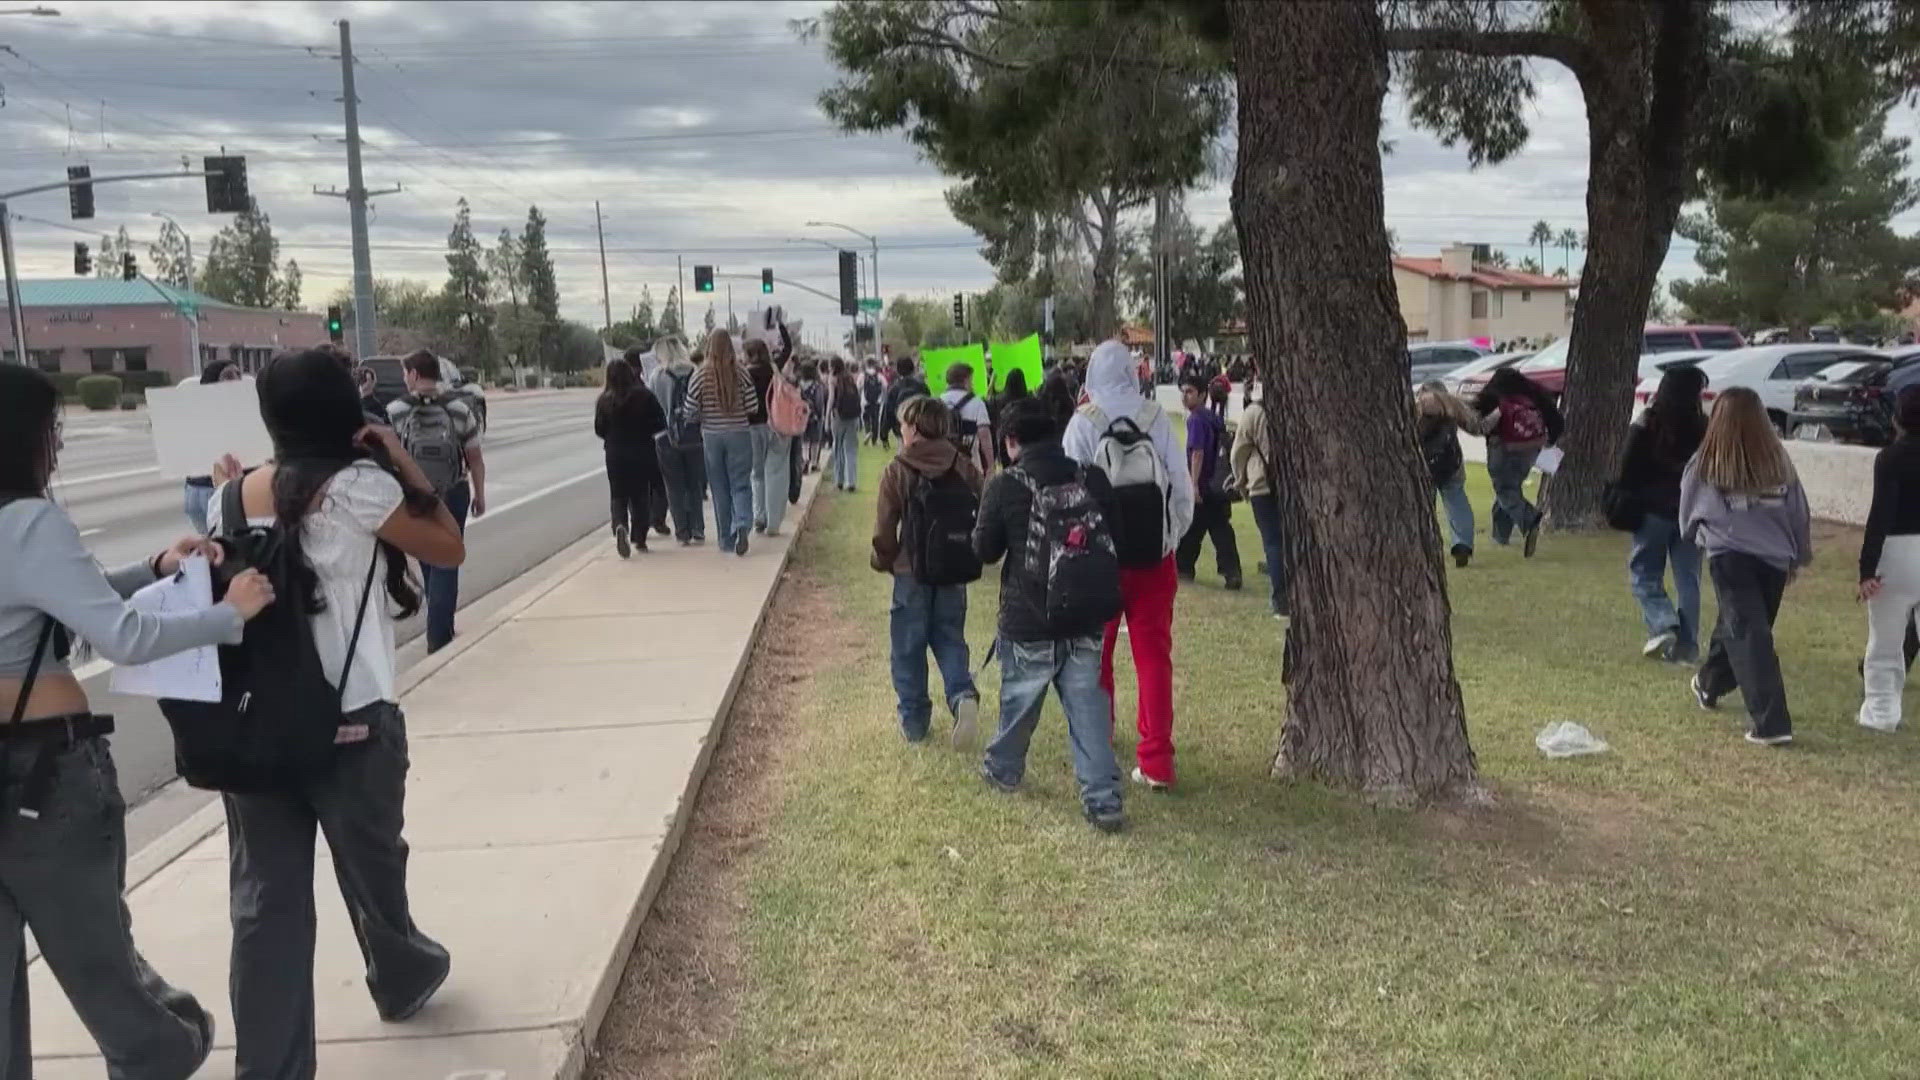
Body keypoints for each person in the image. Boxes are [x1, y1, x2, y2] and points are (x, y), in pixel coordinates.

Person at [0, 364, 273, 1078]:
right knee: (102, 968)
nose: (55, 445)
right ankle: (167, 1049)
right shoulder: (26, 521)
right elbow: (121, 635)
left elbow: (61, 599)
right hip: (44, 777)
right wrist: (227, 615)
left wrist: (155, 564)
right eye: (49, 430)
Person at [212, 348, 463, 1076]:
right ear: (342, 413)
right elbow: (447, 546)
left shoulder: (228, 497)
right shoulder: (357, 487)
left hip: (257, 729)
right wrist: (399, 461)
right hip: (351, 720)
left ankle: (270, 1065)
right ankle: (402, 974)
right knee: (375, 870)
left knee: (265, 907)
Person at [974, 397, 1126, 832]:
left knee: (1020, 701)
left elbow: (986, 552)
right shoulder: (1091, 477)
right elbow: (1115, 536)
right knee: (1088, 708)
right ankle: (1103, 799)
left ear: (1011, 442)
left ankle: (1004, 768)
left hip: (1029, 618)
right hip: (1086, 613)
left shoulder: (1005, 485)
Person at [1064, 339, 1195, 790]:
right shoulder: (1157, 418)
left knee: (1094, 655)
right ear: (1134, 373)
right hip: (1153, 560)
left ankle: (1098, 736)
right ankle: (1157, 759)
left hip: (1100, 561)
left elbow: (1068, 497)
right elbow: (1181, 488)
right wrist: (1169, 538)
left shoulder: (1082, 424)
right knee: (1154, 657)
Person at [1681, 386, 1812, 746]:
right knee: (1750, 632)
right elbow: (1798, 514)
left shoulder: (1775, 463)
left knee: (1741, 627)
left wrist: (1798, 555)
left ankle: (1709, 682)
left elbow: (1689, 511)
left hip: (1759, 557)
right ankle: (1772, 723)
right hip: (1739, 557)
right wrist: (1797, 553)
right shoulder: (1711, 462)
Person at [871, 396, 982, 745]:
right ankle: (962, 695)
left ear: (914, 429)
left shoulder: (897, 469)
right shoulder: (962, 465)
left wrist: (883, 561)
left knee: (907, 647)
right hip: (953, 568)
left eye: (903, 425)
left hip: (910, 572)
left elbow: (884, 531)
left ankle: (915, 721)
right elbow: (985, 506)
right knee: (950, 637)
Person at [387, 350, 485, 652]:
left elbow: (387, 458)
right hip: (452, 491)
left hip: (414, 495)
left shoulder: (395, 411)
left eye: (406, 373)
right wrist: (479, 493)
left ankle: (439, 625)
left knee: (428, 560)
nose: (405, 379)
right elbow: (475, 458)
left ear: (415, 374)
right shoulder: (458, 408)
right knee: (446, 560)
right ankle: (439, 635)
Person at [1613, 365, 1708, 662]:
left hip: (1653, 510)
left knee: (1644, 572)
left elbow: (1627, 468)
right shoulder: (1705, 426)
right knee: (1688, 578)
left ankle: (1663, 623)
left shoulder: (1649, 423)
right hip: (1692, 511)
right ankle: (1688, 645)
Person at [1857, 386, 1920, 731]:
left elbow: (1880, 515)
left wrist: (1867, 569)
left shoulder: (1891, 458)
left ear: (1897, 420)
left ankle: (1881, 713)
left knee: (1885, 640)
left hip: (1897, 554)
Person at [1474, 366, 1562, 557]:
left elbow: (1480, 423)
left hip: (1502, 450)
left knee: (1505, 491)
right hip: (1530, 450)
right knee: (1510, 490)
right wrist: (1549, 441)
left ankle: (1530, 519)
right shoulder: (1535, 397)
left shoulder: (1495, 399)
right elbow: (1557, 421)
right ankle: (1500, 537)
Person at [689, 328, 760, 556]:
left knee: (719, 488)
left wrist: (705, 414)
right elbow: (753, 407)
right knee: (740, 484)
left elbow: (690, 411)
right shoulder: (742, 373)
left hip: (711, 436)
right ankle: (741, 525)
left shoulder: (700, 375)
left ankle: (726, 539)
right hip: (739, 433)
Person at [1175, 373, 1243, 589]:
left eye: (1190, 392)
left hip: (1204, 484)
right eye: (1183, 392)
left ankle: (1184, 568)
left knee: (1196, 528)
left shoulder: (1196, 419)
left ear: (1202, 395)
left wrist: (1193, 485)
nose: (1185, 397)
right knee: (1217, 529)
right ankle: (1230, 571)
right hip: (1219, 482)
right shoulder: (1214, 418)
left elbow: (1197, 452)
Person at [595, 357, 667, 559]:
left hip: (615, 453)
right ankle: (639, 537)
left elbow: (599, 429)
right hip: (642, 450)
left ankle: (620, 525)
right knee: (640, 496)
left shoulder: (604, 400)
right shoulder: (644, 396)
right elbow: (661, 422)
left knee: (618, 495)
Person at [1414, 380, 1487, 569]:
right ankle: (1462, 543)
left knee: (1422, 507)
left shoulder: (1416, 409)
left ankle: (1426, 545)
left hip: (1422, 466)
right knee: (1457, 502)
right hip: (1451, 464)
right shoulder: (1453, 408)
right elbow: (1478, 428)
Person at [1231, 384, 1287, 617]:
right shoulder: (1288, 407)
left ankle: (1281, 600)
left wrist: (1239, 481)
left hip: (1261, 483)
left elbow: (1238, 453)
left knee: (1273, 543)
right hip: (1289, 486)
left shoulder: (1253, 413)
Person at [648, 335, 708, 545]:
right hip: (694, 434)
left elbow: (652, 407)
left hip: (666, 436)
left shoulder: (657, 376)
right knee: (694, 484)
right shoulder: (696, 372)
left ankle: (682, 531)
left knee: (674, 487)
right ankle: (698, 528)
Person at [184, 358, 246, 533]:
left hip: (194, 489)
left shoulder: (193, 411)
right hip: (213, 489)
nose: (236, 378)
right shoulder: (232, 410)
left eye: (238, 373)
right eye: (229, 375)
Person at [744, 339, 796, 537]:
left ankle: (759, 516)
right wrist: (780, 326)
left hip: (753, 427)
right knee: (776, 473)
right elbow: (788, 348)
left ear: (748, 354)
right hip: (777, 425)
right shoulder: (774, 368)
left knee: (756, 473)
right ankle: (774, 522)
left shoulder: (745, 374)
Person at [625, 347, 672, 539]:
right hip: (647, 444)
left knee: (632, 488)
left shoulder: (616, 389)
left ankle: (637, 525)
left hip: (623, 446)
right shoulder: (647, 387)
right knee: (658, 484)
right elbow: (659, 419)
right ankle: (657, 518)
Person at [940, 361, 995, 476]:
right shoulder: (977, 402)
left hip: (944, 462)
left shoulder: (938, 402)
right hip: (971, 463)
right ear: (966, 380)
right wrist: (990, 465)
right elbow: (984, 435)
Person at [828, 357, 864, 492]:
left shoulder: (833, 379)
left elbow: (831, 399)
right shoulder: (849, 378)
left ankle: (839, 480)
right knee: (851, 449)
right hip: (852, 416)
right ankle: (852, 481)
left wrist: (827, 417)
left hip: (838, 416)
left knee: (837, 448)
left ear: (832, 366)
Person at [881, 355, 929, 448]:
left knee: (903, 454)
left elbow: (888, 412)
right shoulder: (922, 387)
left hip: (901, 428)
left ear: (897, 370)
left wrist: (884, 434)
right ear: (913, 368)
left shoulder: (894, 388)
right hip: (920, 427)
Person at [988, 368, 1031, 469]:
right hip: (1023, 437)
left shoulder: (997, 400)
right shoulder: (1028, 400)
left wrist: (992, 382)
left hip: (1003, 436)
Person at [799, 360, 828, 474]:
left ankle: (805, 459)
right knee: (815, 440)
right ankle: (814, 463)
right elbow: (819, 402)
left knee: (804, 440)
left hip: (801, 416)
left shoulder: (799, 385)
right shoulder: (817, 386)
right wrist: (820, 414)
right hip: (814, 417)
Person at [863, 360, 887, 446]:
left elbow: (857, 386)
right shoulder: (879, 375)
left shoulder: (863, 375)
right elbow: (885, 386)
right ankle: (874, 440)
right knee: (875, 420)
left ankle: (867, 432)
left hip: (865, 401)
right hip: (877, 401)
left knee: (866, 418)